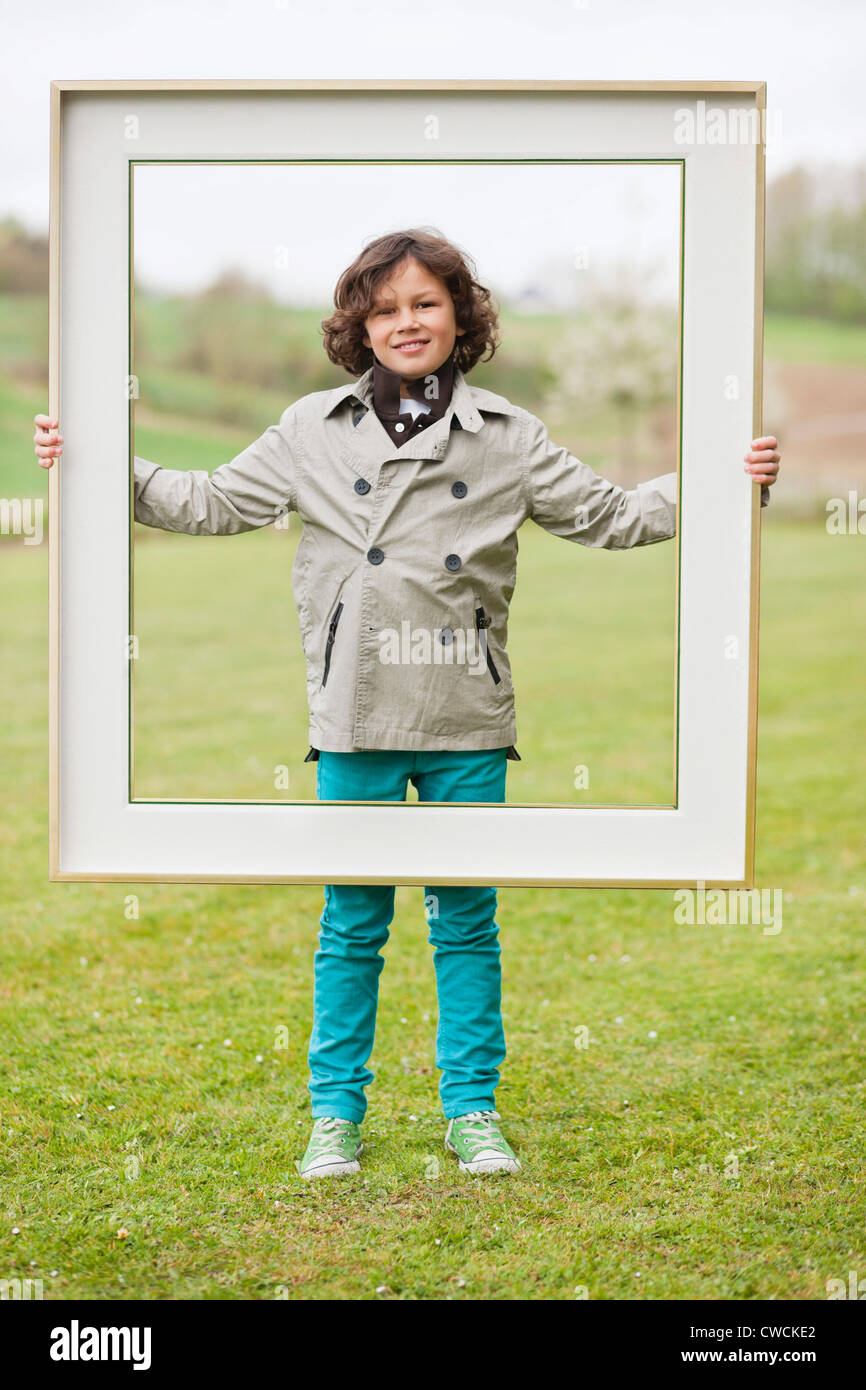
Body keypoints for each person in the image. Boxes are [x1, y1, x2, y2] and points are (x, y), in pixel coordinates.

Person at [34, 228, 781, 1180]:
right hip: (355, 711)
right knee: (353, 924)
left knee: (465, 919)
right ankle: (334, 1116)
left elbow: (613, 515)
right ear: (360, 326)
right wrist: (95, 467)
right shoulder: (311, 429)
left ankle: (472, 1110)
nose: (406, 322)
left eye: (425, 303)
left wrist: (726, 484)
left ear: (461, 316)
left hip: (467, 712)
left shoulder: (508, 437)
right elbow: (210, 499)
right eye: (385, 308)